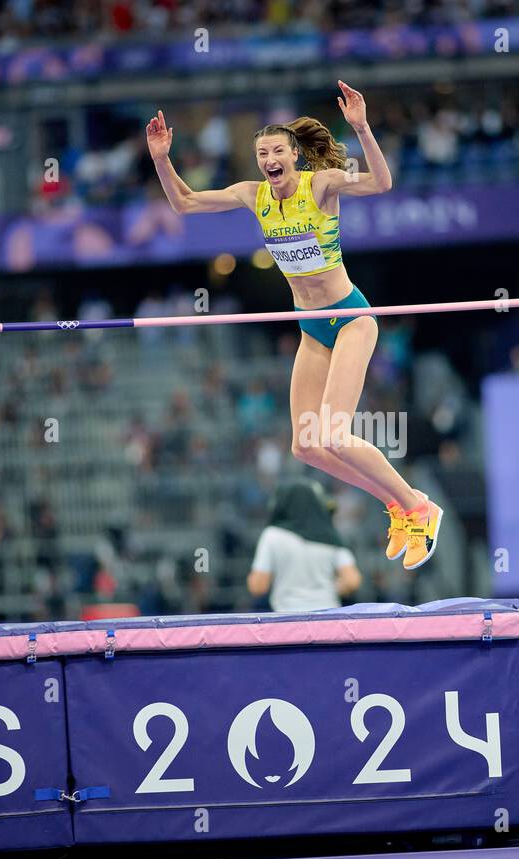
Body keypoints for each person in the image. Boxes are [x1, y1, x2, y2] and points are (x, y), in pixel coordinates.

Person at [145, 81, 444, 570]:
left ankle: (418, 507)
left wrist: (362, 127)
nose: (269, 158)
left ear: (295, 155)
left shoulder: (320, 184)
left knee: (333, 434)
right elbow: (185, 203)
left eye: (277, 150)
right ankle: (396, 502)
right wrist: (161, 158)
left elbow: (381, 183)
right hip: (312, 329)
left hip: (349, 319)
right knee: (306, 447)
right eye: (261, 152)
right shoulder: (252, 195)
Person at [247, 479, 361, 613]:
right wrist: (326, 590)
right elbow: (352, 580)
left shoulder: (273, 535)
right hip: (328, 616)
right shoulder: (329, 534)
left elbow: (258, 586)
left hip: (288, 618)